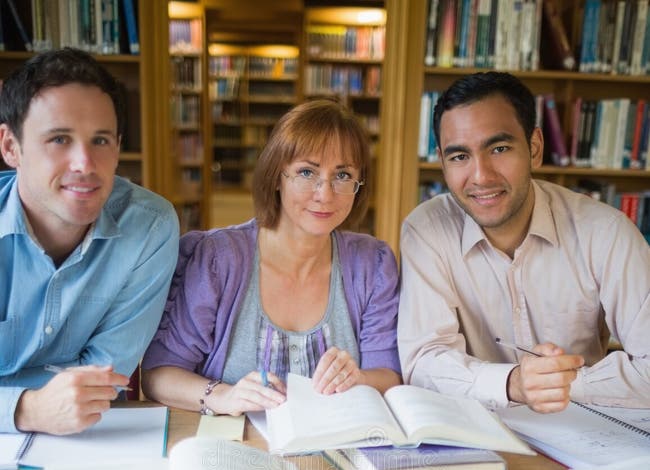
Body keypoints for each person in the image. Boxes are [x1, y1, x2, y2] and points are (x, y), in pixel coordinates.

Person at [398, 71, 650, 412]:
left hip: (583, 432)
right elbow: (423, 363)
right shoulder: (427, 230)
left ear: (534, 148)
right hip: (477, 433)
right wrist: (514, 383)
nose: (481, 176)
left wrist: (560, 384)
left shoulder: (606, 232)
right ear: (442, 162)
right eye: (459, 157)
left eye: (499, 148)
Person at [141, 98, 401, 416]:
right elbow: (157, 375)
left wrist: (358, 379)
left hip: (337, 454)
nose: (325, 193)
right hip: (236, 452)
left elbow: (388, 374)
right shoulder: (217, 260)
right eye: (307, 172)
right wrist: (223, 396)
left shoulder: (372, 265)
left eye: (343, 175)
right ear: (277, 176)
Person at [0, 48, 179, 435]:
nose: (84, 164)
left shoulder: (150, 227)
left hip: (95, 437)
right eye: (60, 139)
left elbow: (102, 379)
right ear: (10, 147)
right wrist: (26, 409)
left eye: (100, 141)